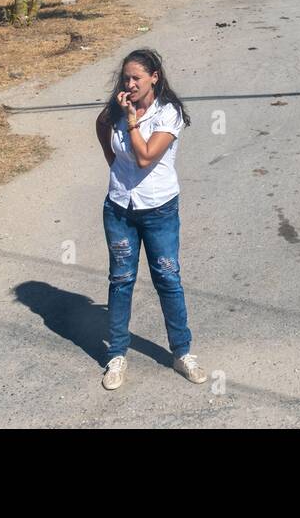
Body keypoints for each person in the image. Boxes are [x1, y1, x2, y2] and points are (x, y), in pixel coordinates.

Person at [94, 49, 206, 390]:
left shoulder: (167, 114)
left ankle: (182, 352)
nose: (129, 84)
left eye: (136, 79)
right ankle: (116, 356)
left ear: (154, 77)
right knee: (121, 280)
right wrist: (114, 164)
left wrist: (131, 121)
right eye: (126, 78)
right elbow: (101, 125)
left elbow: (144, 158)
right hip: (119, 208)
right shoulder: (116, 109)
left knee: (168, 279)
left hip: (158, 209)